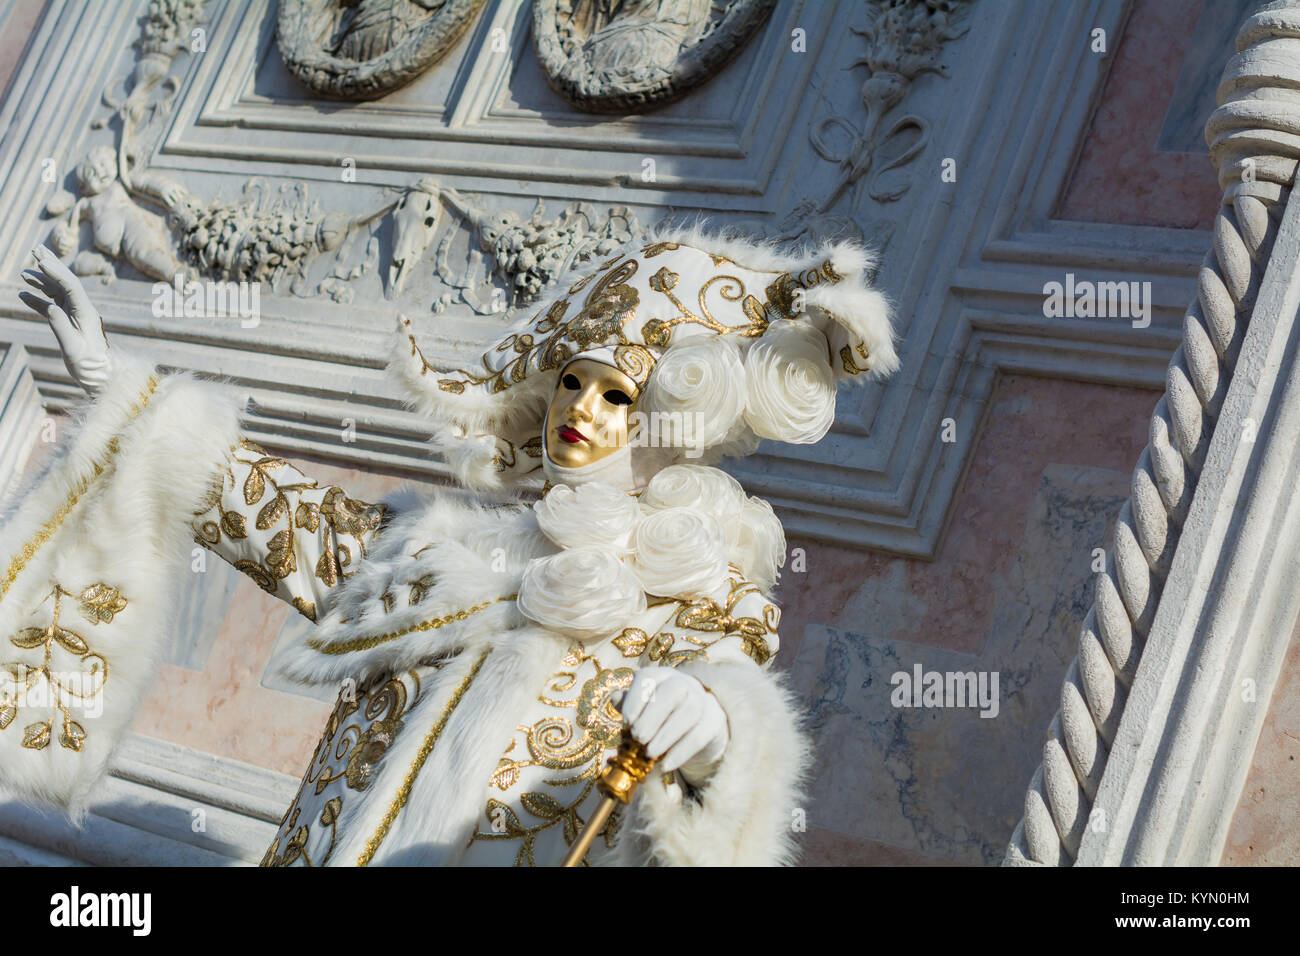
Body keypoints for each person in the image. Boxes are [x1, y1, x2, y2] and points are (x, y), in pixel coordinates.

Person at [7, 223, 898, 865]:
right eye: (570, 382)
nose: (578, 410)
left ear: (668, 417)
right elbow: (287, 521)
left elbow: (737, 737)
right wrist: (117, 387)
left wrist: (717, 736)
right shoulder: (447, 553)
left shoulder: (696, 600)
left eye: (615, 394)